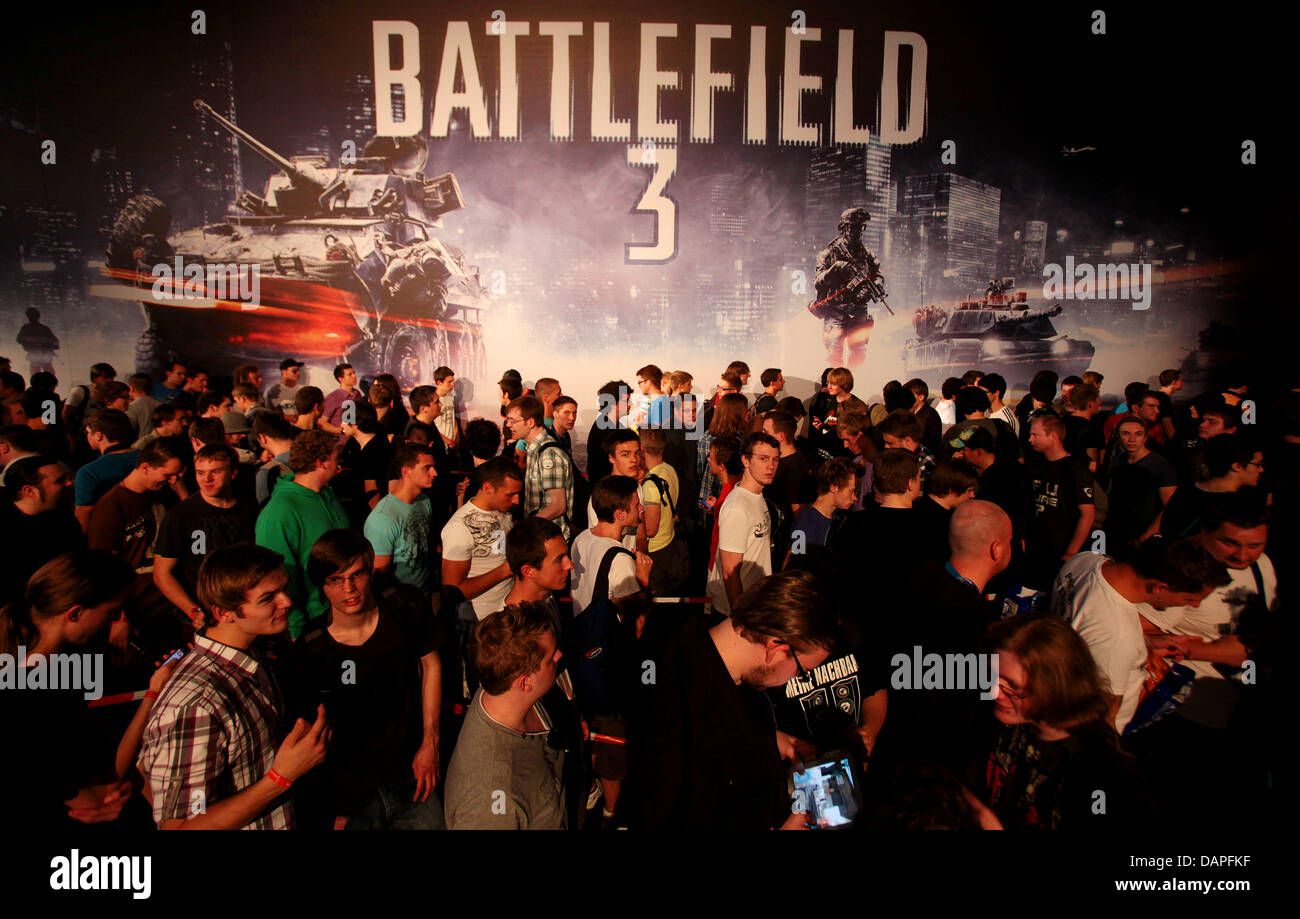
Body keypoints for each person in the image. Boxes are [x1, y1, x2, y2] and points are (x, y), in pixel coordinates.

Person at [138, 544, 332, 829]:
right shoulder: (195, 705)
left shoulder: (258, 652)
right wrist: (280, 778)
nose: (286, 602)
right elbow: (181, 827)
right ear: (224, 613)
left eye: (283, 589)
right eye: (268, 598)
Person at [641, 570, 837, 829]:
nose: (794, 679)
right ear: (776, 649)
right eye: (801, 672)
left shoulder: (695, 638)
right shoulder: (680, 718)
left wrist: (769, 739)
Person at [288, 529, 445, 829]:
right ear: (322, 585)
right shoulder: (312, 647)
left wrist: (431, 740)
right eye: (336, 580)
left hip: (411, 774)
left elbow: (431, 664)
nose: (349, 589)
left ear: (370, 570)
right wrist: (328, 809)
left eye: (356, 575)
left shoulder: (404, 607)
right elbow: (309, 729)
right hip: (351, 792)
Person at [0, 551, 146, 827]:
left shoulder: (62, 667)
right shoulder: (33, 690)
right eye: (112, 612)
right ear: (75, 613)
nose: (115, 621)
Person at [979, 614, 1151, 830]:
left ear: (1056, 686)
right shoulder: (1006, 719)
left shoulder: (1106, 773)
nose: (994, 691)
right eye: (993, 675)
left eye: (1013, 686)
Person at [1053, 536, 1229, 734]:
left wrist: (1146, 641)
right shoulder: (1118, 636)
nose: (1193, 606)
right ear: (1160, 587)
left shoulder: (1087, 560)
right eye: (1189, 599)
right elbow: (1102, 720)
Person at [568, 475, 654, 827]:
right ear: (619, 514)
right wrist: (644, 581)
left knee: (589, 731)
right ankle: (611, 814)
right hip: (611, 663)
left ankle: (589, 788)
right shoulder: (621, 562)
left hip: (581, 653)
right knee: (613, 741)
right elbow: (635, 624)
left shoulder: (581, 540)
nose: (641, 509)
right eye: (636, 505)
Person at [443, 601, 568, 829]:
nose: (559, 655)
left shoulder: (501, 691)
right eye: (550, 658)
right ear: (525, 682)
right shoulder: (490, 797)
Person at [254, 429, 350, 638]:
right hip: (315, 623)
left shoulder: (327, 493)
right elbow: (278, 578)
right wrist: (297, 631)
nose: (339, 464)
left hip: (344, 610)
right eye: (336, 459)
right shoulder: (278, 514)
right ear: (321, 462)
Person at [152, 444, 257, 630]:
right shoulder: (180, 516)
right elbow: (162, 574)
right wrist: (193, 611)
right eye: (200, 473)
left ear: (233, 472)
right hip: (204, 617)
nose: (207, 479)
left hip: (244, 610)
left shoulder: (250, 507)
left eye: (215, 472)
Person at [1021, 413, 1096, 592]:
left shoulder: (1075, 468)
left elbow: (1088, 514)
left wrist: (1071, 552)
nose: (1030, 439)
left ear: (1053, 436)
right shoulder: (1037, 464)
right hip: (1036, 547)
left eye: (1035, 435)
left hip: (1060, 549)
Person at [706, 432, 779, 615]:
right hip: (736, 610)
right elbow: (730, 572)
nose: (771, 466)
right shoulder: (737, 508)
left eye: (775, 459)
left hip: (754, 604)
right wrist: (740, 616)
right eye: (763, 459)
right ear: (746, 461)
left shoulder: (756, 496)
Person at [0, 457, 84, 607]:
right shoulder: (7, 530)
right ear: (30, 491)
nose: (69, 483)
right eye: (60, 480)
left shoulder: (64, 520)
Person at [813, 206, 885, 367]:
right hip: (835, 310)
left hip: (858, 310)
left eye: (861, 227)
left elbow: (878, 274)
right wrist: (835, 269)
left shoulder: (867, 254)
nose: (858, 231)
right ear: (844, 228)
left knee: (859, 353)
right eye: (854, 227)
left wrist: (876, 285)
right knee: (834, 356)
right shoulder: (830, 254)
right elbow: (818, 281)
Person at [363, 442, 436, 594]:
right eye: (426, 468)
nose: (434, 473)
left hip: (424, 595)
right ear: (406, 472)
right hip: (400, 602)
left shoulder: (424, 501)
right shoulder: (382, 518)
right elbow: (379, 572)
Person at [1160, 432, 1262, 539]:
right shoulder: (1234, 506)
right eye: (1258, 464)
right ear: (1237, 466)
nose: (1261, 470)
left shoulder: (1186, 491)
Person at [1104, 415, 1179, 557]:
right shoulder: (1119, 460)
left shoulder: (1161, 466)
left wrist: (1145, 537)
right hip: (1118, 533)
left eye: (1138, 434)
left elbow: (1170, 508)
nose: (1132, 439)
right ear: (1118, 436)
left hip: (1144, 537)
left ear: (1145, 438)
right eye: (1126, 434)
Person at [508, 394, 575, 539]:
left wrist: (526, 527)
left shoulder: (548, 454)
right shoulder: (535, 450)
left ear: (530, 422)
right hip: (541, 536)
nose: (508, 425)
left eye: (512, 421)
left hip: (549, 540)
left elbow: (558, 505)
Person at [784, 457, 857, 569]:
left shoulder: (837, 517)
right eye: (851, 491)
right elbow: (793, 566)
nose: (855, 498)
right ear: (834, 488)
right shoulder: (804, 523)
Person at [640, 429, 688, 595]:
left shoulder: (650, 486)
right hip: (669, 539)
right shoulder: (669, 469)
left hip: (655, 550)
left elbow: (651, 530)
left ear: (642, 449)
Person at [74, 409, 139, 528]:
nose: (87, 435)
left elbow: (83, 515)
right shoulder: (147, 458)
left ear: (98, 435)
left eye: (88, 432)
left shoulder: (88, 472)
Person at [319, 362, 361, 437]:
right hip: (341, 442)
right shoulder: (333, 398)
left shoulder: (357, 394)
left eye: (354, 373)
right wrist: (343, 431)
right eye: (350, 374)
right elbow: (322, 422)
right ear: (341, 379)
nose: (354, 376)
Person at [125, 373, 161, 440]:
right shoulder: (160, 405)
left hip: (140, 446)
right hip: (158, 443)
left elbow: (128, 429)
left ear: (131, 388)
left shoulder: (131, 407)